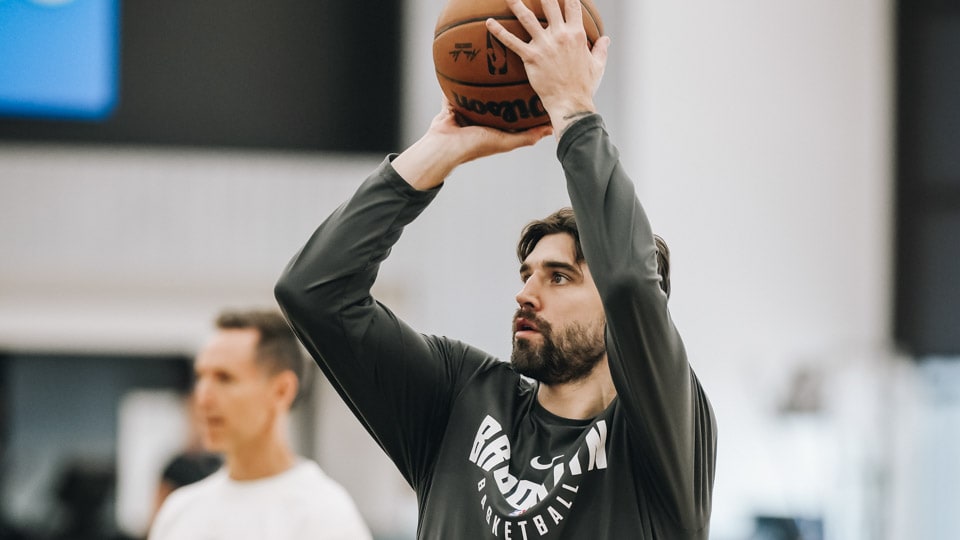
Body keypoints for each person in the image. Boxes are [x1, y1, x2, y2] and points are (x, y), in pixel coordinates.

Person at [275, 0, 717, 537]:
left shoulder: (658, 435)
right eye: (527, 275)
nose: (527, 294)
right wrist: (438, 151)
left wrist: (573, 108)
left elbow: (628, 282)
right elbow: (313, 292)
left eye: (559, 276)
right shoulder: (459, 395)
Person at [148, 309, 371, 540]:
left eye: (225, 378)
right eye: (201, 377)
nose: (203, 398)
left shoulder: (324, 515)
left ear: (281, 391)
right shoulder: (180, 513)